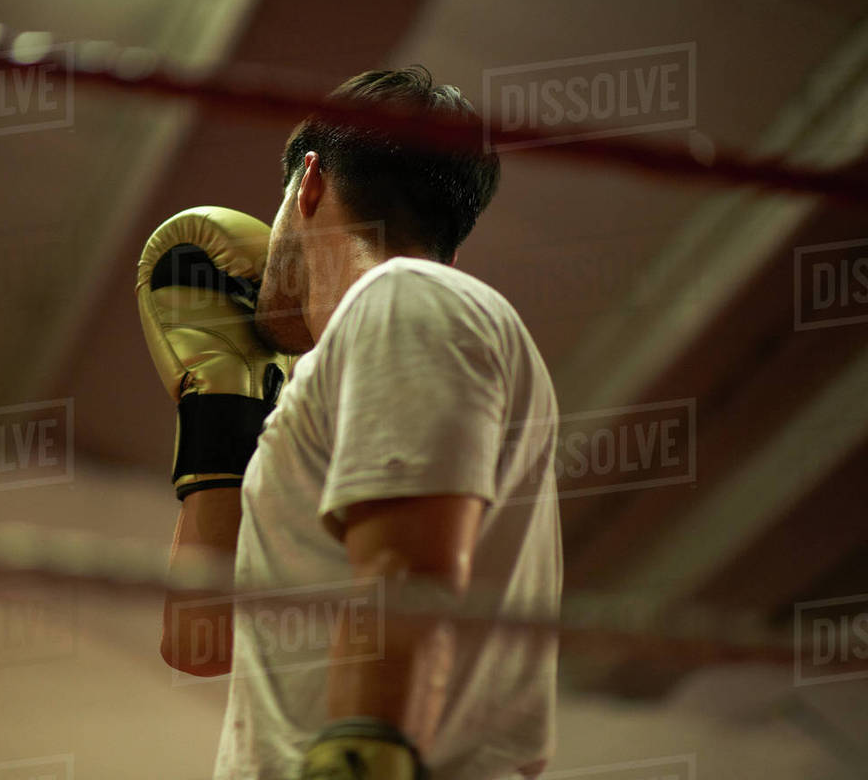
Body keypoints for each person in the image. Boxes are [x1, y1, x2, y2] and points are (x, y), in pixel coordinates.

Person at [138, 66, 560, 780]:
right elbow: (201, 641)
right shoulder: (344, 370)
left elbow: (407, 580)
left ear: (308, 183)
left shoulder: (407, 304)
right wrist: (220, 400)